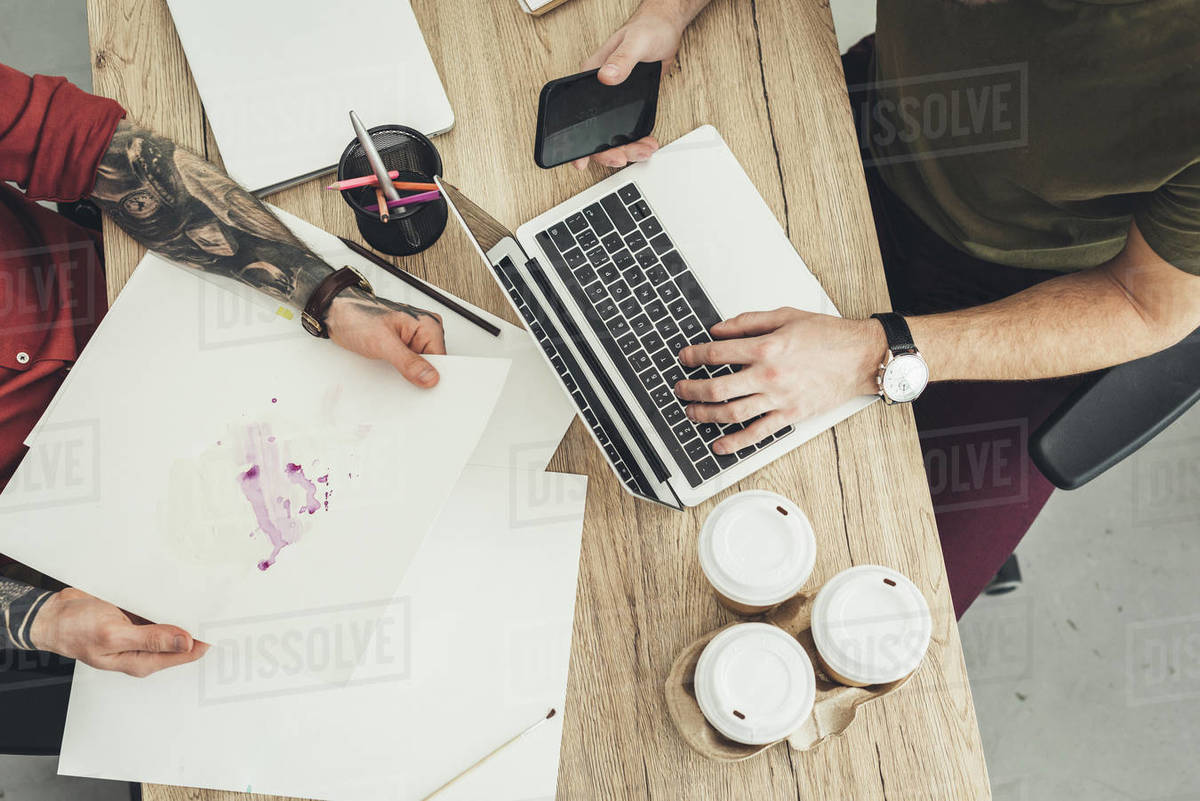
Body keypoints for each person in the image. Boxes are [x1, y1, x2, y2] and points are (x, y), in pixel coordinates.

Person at [578, 0, 1200, 616]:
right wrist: (669, 11)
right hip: (871, 127)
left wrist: (873, 354)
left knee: (885, 617)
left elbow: (1146, 305)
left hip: (1031, 291)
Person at [0, 62, 448, 751]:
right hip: (61, 533)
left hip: (149, 305)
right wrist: (38, 617)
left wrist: (327, 295)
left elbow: (93, 148)